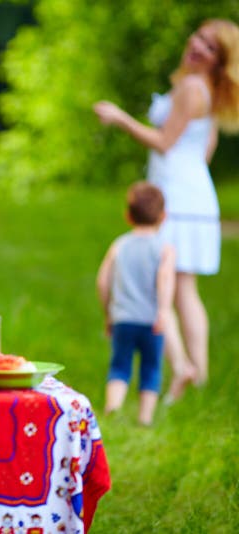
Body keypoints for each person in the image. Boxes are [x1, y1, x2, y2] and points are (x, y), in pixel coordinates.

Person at [93, 18, 239, 399]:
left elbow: (164, 142)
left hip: (175, 198)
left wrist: (119, 118)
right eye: (200, 38)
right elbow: (203, 150)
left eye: (210, 47)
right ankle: (197, 375)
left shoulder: (192, 87)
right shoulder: (205, 88)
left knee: (166, 288)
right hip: (194, 195)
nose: (198, 47)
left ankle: (184, 369)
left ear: (218, 60)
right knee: (183, 290)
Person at [96, 182, 175, 425]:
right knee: (151, 367)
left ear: (128, 216)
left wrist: (109, 313)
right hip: (151, 320)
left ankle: (113, 407)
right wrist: (163, 311)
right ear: (163, 216)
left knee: (120, 365)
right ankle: (145, 418)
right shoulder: (164, 249)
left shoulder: (119, 245)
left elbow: (102, 281)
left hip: (123, 319)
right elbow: (165, 280)